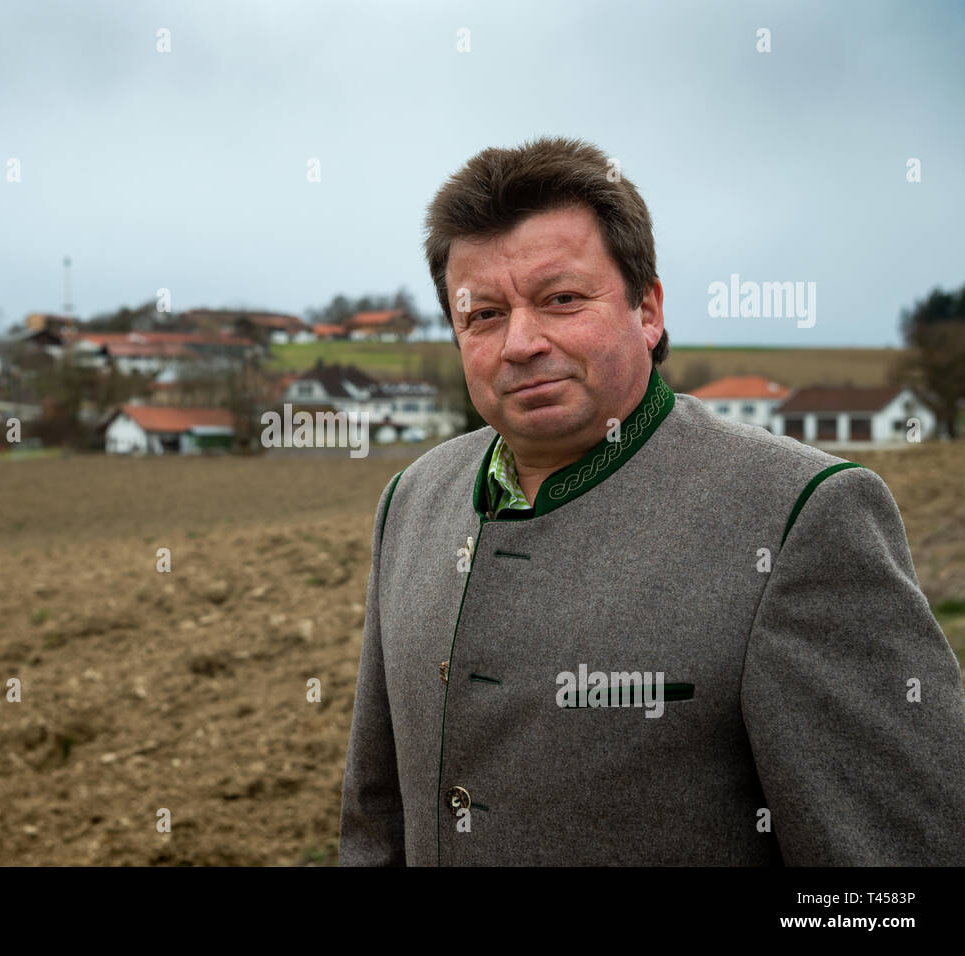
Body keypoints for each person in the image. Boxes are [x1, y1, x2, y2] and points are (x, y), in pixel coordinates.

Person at [338, 136, 965, 866]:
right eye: (483, 315)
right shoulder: (411, 500)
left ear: (648, 309)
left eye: (561, 299)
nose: (520, 342)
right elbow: (373, 817)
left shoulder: (804, 517)